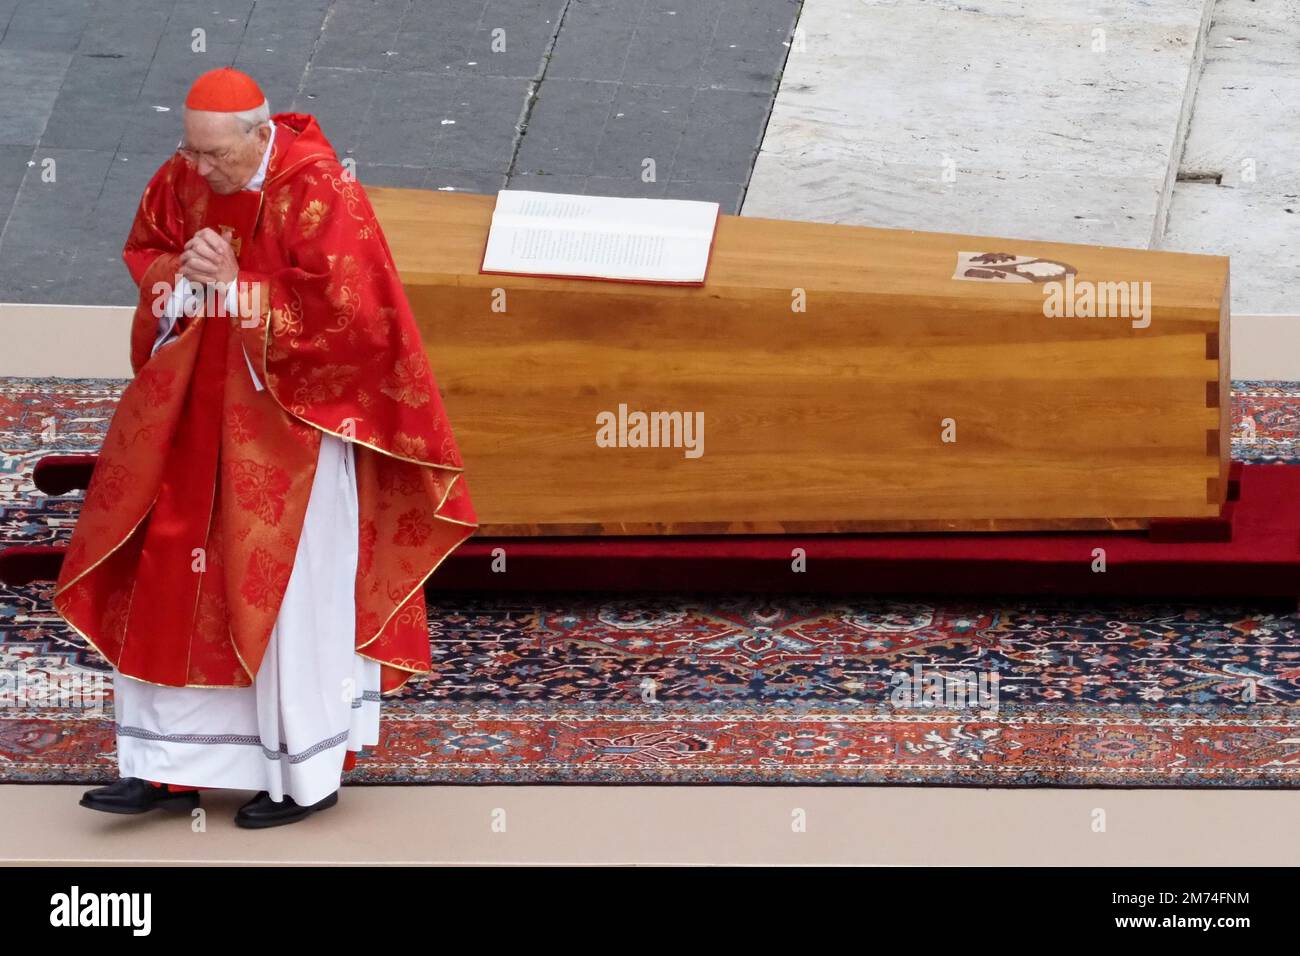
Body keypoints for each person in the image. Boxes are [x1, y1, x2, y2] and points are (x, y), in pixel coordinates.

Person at [55, 66, 477, 828]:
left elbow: (352, 319)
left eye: (215, 155)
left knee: (280, 595)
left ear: (259, 135)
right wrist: (181, 278)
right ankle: (162, 766)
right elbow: (148, 248)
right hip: (192, 417)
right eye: (190, 151)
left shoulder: (321, 192)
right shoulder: (185, 173)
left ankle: (298, 774)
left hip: (290, 432)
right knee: (169, 578)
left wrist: (241, 288)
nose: (199, 169)